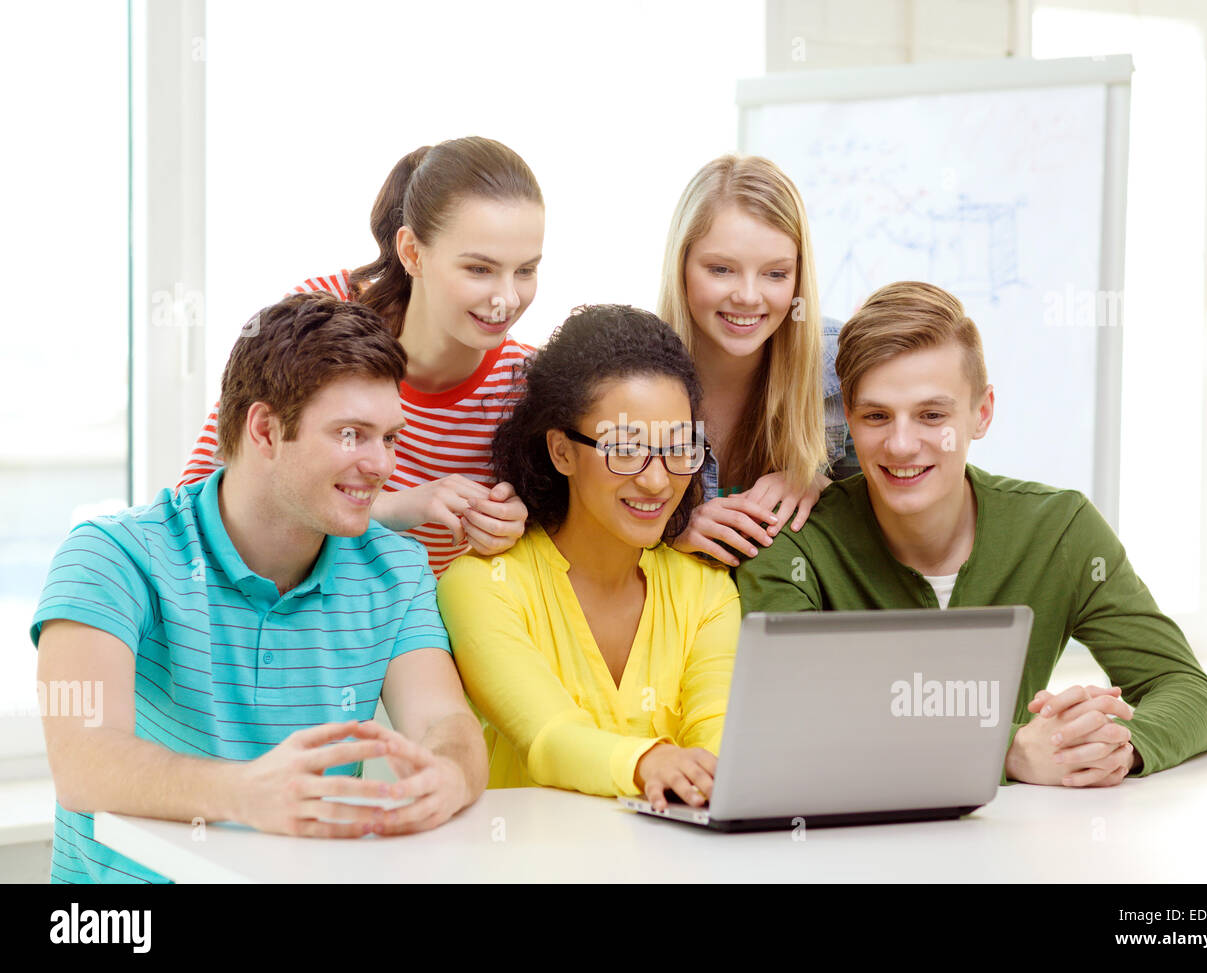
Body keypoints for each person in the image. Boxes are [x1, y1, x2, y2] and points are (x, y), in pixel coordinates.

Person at [34, 292, 488, 883]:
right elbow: (85, 763)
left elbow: (445, 724)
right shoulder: (111, 555)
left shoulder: (396, 569)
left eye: (391, 438)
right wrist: (246, 793)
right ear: (266, 430)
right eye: (352, 434)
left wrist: (448, 775)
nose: (382, 466)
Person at [736, 281, 1207, 786]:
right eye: (876, 416)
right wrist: (1007, 750)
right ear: (850, 425)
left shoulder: (1061, 530)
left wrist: (1112, 748)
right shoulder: (790, 543)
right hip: (848, 853)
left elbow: (1188, 688)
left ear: (982, 413)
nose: (902, 444)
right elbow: (791, 724)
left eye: (932, 415)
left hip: (1008, 847)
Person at [178, 136, 545, 576]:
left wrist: (515, 535)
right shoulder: (320, 315)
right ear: (412, 252)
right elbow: (202, 494)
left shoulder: (527, 387)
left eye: (525, 270)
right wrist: (391, 508)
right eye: (479, 269)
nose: (507, 298)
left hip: (412, 630)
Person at [437, 305, 739, 812]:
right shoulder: (484, 583)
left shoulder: (708, 590)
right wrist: (647, 764)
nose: (657, 480)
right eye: (625, 449)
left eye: (677, 448)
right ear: (562, 452)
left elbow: (720, 740)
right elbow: (548, 740)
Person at [657, 154, 859, 568]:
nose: (749, 296)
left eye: (775, 274)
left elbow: (890, 511)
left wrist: (823, 488)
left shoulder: (839, 363)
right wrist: (664, 529)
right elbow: (579, 531)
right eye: (721, 269)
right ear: (682, 267)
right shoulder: (626, 376)